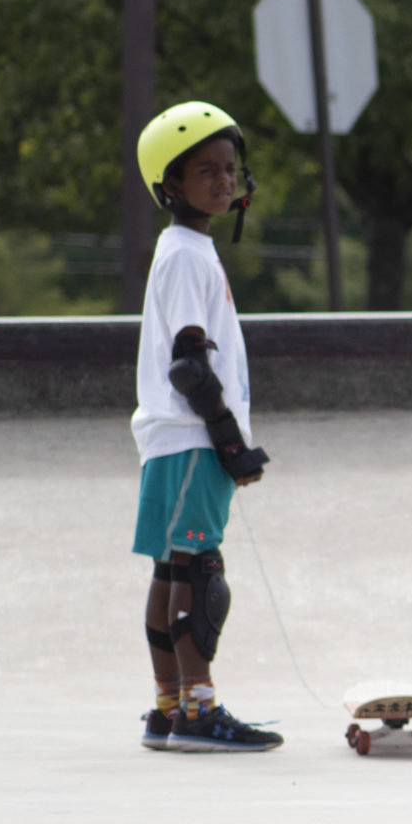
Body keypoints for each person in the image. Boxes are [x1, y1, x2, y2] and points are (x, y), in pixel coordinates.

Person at [129, 101, 281, 754]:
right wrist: (230, 441)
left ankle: (168, 707)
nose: (224, 180)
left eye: (229, 168)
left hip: (170, 440)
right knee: (199, 573)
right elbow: (190, 365)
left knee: (172, 570)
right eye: (205, 171)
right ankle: (199, 708)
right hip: (192, 437)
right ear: (171, 185)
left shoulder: (182, 250)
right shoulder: (188, 256)